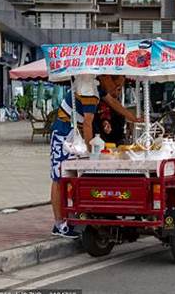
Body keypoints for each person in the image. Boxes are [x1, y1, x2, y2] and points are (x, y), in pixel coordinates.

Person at [50, 75, 140, 238]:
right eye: (116, 84)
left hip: (75, 135)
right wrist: (92, 153)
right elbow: (87, 124)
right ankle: (59, 224)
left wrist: (134, 118)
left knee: (73, 177)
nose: (116, 89)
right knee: (59, 178)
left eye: (120, 86)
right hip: (64, 135)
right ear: (106, 77)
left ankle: (71, 219)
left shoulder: (96, 86)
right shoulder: (89, 90)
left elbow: (113, 103)